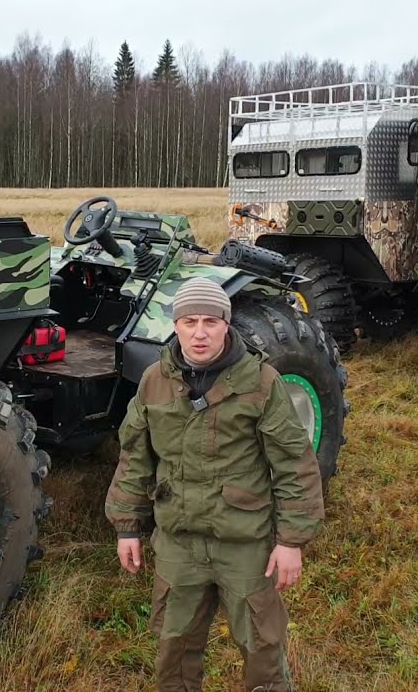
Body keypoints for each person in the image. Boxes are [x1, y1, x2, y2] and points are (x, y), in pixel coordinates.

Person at [105, 277, 325, 692]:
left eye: (211, 321)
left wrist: (291, 540)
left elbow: (295, 463)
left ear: (227, 324)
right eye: (189, 321)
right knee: (175, 651)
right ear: (176, 325)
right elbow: (135, 457)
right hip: (179, 539)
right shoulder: (154, 380)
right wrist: (127, 527)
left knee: (263, 648)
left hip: (244, 542)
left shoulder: (260, 382)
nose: (200, 332)